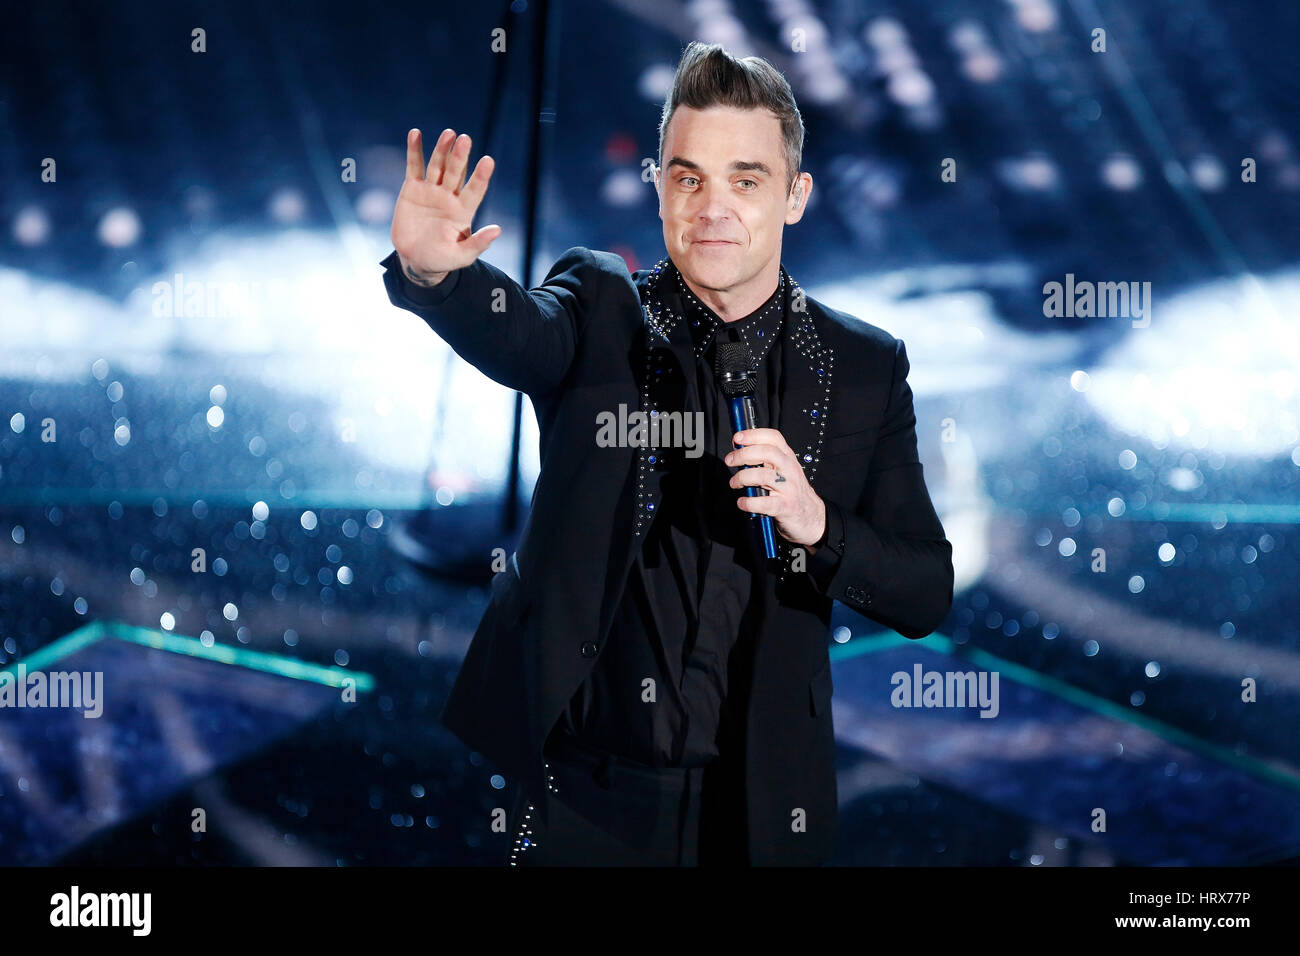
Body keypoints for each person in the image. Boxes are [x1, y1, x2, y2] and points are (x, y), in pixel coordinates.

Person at [380, 41, 954, 866]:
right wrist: (439, 280)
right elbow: (518, 334)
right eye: (688, 177)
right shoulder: (600, 306)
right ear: (659, 192)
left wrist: (817, 523)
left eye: (745, 180)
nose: (712, 207)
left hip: (759, 803)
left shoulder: (862, 365)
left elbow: (924, 589)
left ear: (795, 197)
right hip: (590, 794)